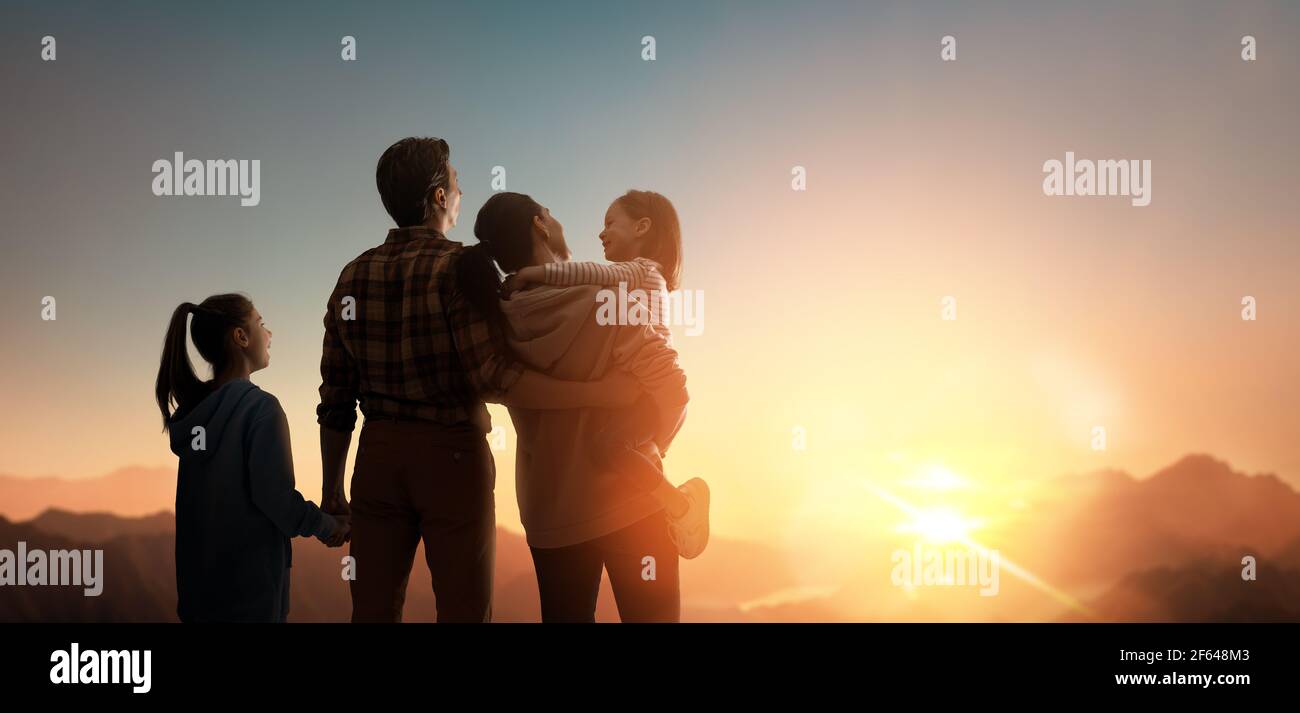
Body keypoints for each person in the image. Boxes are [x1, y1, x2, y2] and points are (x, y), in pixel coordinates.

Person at [317, 137, 640, 623]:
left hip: (377, 458)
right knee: (465, 611)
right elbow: (496, 378)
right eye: (456, 182)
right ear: (440, 198)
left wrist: (331, 491)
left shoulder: (351, 276)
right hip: (451, 458)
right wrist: (597, 393)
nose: (461, 191)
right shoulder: (460, 266)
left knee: (372, 610)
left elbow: (336, 399)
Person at [460, 191, 691, 622]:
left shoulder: (496, 316)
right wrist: (657, 446)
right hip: (632, 504)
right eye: (551, 212)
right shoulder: (608, 302)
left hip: (553, 515)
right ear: (541, 224)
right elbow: (673, 387)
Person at [502, 190, 709, 557]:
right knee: (620, 447)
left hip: (648, 389)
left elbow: (586, 272)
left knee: (609, 447)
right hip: (648, 390)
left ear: (643, 227)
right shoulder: (638, 279)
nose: (601, 233)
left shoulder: (640, 270)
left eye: (611, 223)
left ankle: (679, 505)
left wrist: (531, 275)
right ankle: (677, 500)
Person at [155, 293, 346, 623]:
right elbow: (277, 501)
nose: (269, 334)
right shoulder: (261, 409)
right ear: (240, 337)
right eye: (261, 324)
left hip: (199, 600)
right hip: (250, 599)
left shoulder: (196, 413)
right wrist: (330, 526)